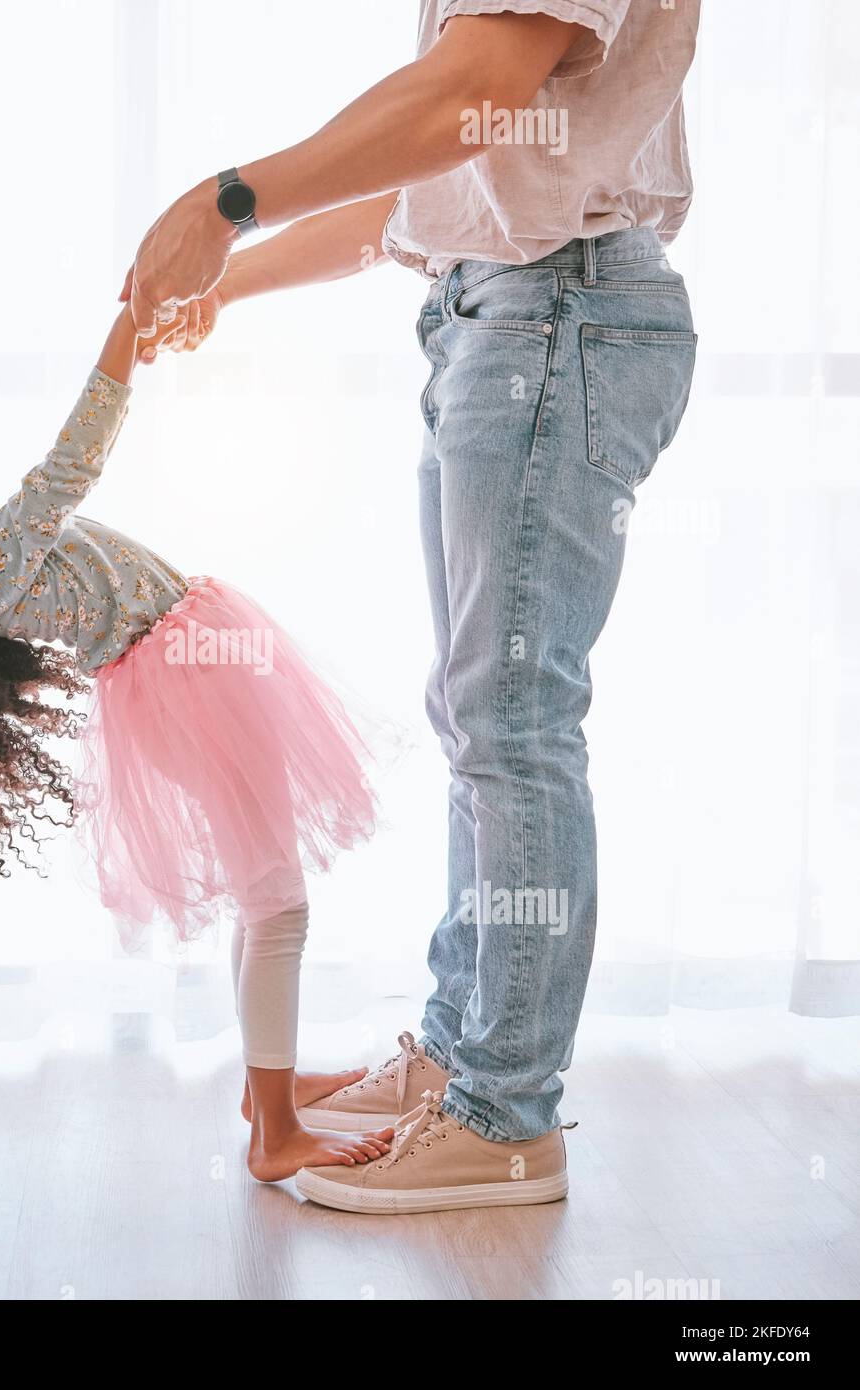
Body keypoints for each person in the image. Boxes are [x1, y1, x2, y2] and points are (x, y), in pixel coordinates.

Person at [126, 0, 699, 1213]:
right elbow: (433, 185)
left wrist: (226, 200)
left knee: (512, 724)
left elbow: (458, 96)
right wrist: (229, 281)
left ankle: (503, 1119)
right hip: (503, 310)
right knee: (479, 721)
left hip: (559, 313)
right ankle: (458, 1058)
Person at [0, 305, 396, 1181]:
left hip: (189, 673)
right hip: (195, 683)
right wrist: (132, 328)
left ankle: (266, 1091)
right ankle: (275, 1133)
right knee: (278, 904)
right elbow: (68, 465)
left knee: (265, 896)